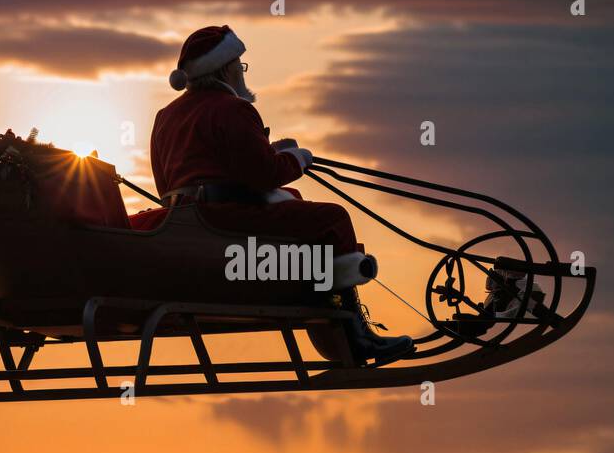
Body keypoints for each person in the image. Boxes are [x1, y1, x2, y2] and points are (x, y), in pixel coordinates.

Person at [140, 24, 413, 365]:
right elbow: (263, 175)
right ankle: (356, 339)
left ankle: (344, 334)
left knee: (302, 212)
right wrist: (295, 159)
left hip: (185, 221)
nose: (242, 72)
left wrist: (269, 152)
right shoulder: (233, 109)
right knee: (331, 219)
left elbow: (169, 184)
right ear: (225, 68)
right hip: (224, 224)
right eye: (239, 65)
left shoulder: (165, 117)